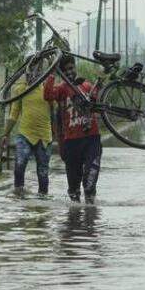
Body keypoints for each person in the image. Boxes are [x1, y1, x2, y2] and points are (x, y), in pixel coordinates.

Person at [44, 56, 102, 204]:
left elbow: (97, 103)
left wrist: (99, 88)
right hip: (71, 142)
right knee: (74, 190)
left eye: (71, 68)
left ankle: (90, 212)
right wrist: (52, 72)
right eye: (65, 70)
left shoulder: (86, 86)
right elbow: (47, 95)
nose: (69, 72)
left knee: (89, 182)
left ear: (75, 68)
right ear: (62, 73)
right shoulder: (61, 88)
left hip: (91, 139)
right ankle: (74, 219)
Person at [1, 58, 55, 195]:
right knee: (19, 165)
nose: (34, 71)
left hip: (44, 137)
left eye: (38, 68)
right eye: (32, 67)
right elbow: (14, 114)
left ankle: (42, 200)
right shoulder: (20, 89)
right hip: (25, 135)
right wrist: (5, 134)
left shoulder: (47, 88)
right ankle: (19, 195)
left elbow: (55, 112)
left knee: (42, 172)